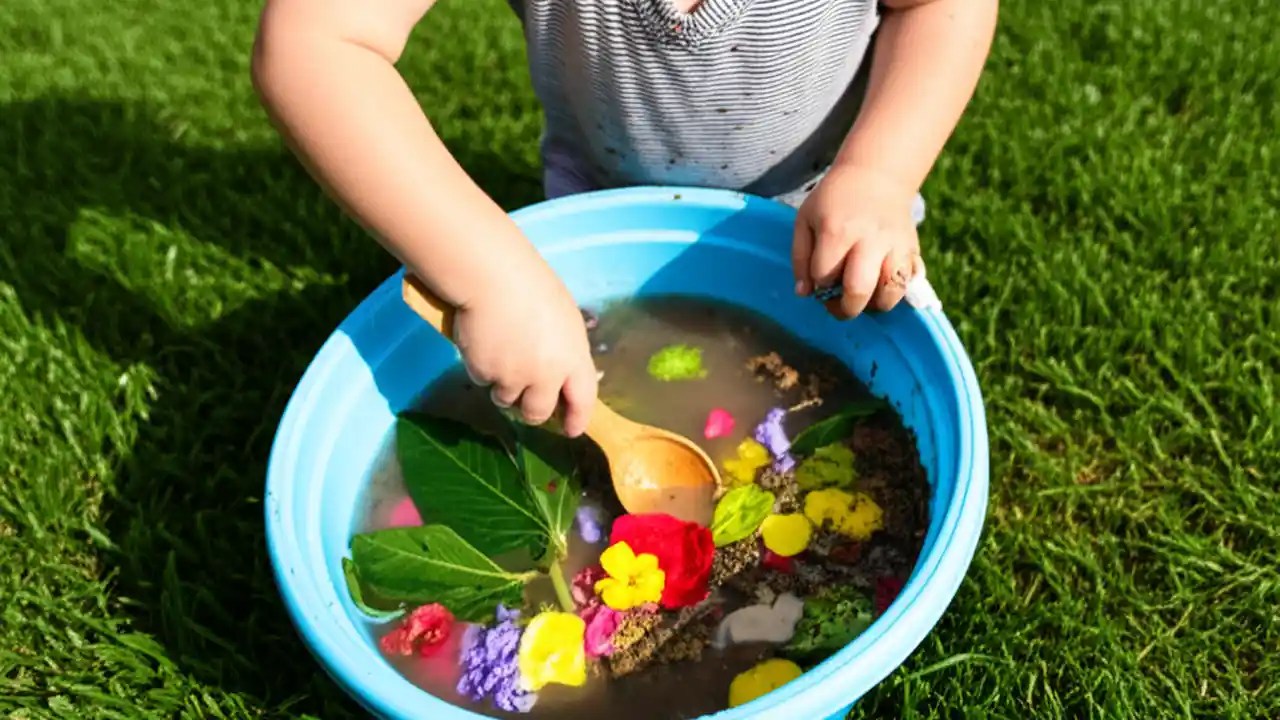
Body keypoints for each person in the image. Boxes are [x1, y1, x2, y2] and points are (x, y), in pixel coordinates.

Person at [250, 0, 997, 438]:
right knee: (569, 408)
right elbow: (316, 41)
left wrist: (879, 172)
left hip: (825, 225)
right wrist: (491, 279)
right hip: (594, 229)